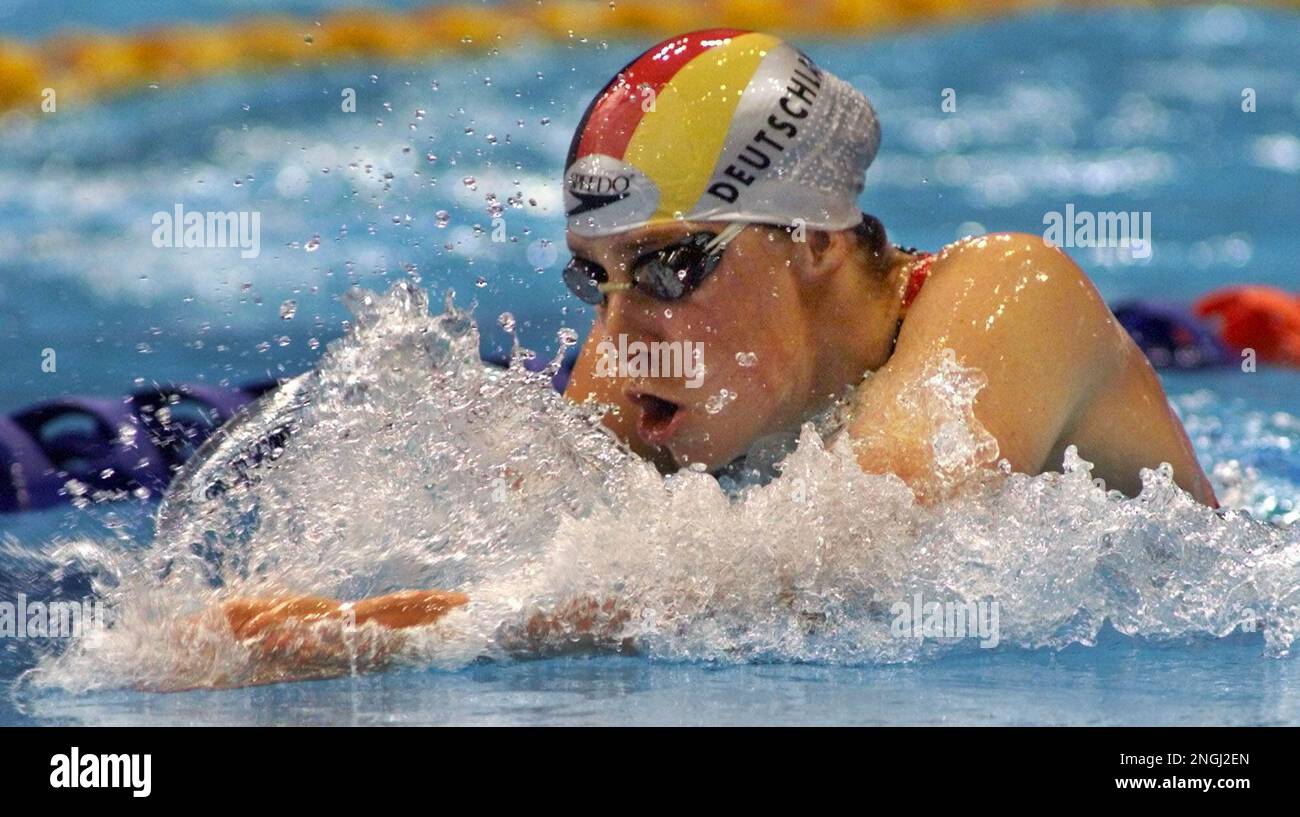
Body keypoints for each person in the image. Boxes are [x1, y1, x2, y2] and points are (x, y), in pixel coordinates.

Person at [181, 29, 1218, 689]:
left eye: (673, 264)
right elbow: (530, 543)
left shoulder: (1008, 294)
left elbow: (847, 558)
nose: (622, 329)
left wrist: (400, 635)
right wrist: (293, 616)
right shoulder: (641, 357)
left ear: (810, 237)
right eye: (596, 279)